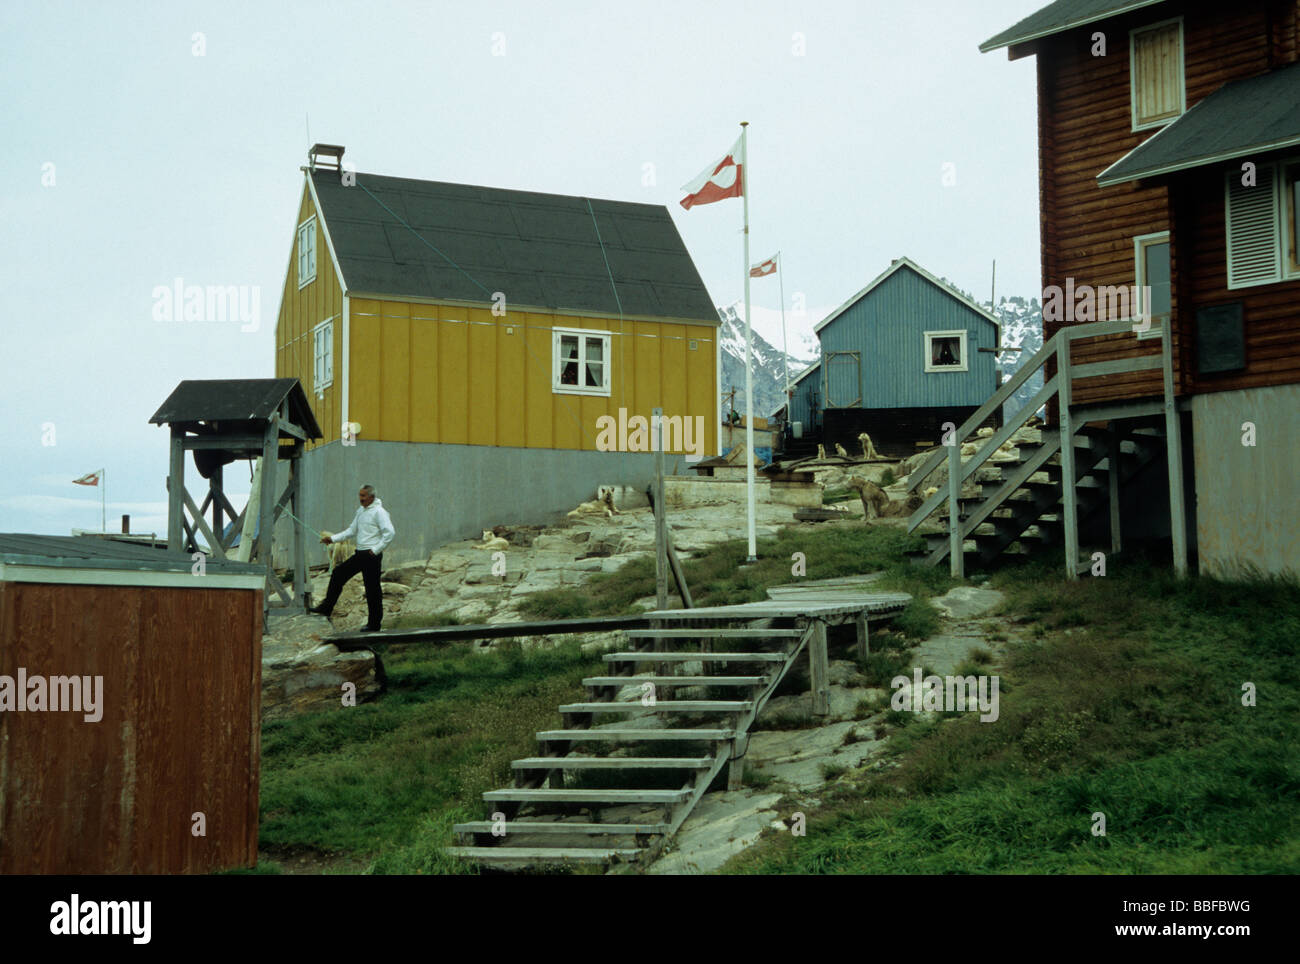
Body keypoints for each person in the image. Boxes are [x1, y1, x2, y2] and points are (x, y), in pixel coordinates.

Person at [308, 484, 395, 632]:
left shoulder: (380, 512)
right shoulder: (361, 511)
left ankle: (374, 626)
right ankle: (326, 608)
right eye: (359, 495)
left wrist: (375, 550)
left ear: (371, 497)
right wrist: (333, 539)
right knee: (338, 574)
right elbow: (351, 530)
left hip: (371, 556)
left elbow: (390, 533)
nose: (360, 499)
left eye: (363, 496)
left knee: (372, 590)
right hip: (360, 554)